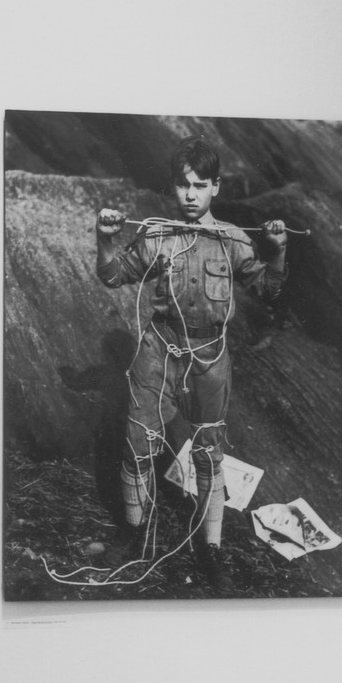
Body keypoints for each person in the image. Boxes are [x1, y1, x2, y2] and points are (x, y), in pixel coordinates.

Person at [96, 136, 290, 592]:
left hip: (210, 360)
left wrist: (278, 251)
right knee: (137, 443)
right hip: (158, 353)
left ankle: (211, 550)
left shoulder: (233, 241)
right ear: (172, 187)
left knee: (208, 454)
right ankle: (133, 534)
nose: (189, 194)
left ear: (215, 188)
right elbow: (110, 276)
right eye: (182, 185)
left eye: (200, 185)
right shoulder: (155, 235)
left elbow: (270, 291)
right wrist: (105, 239)